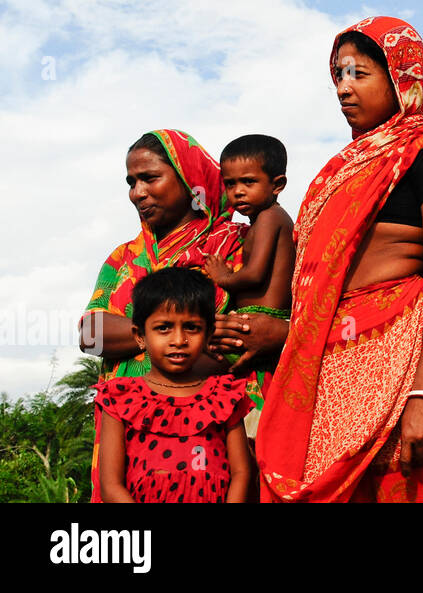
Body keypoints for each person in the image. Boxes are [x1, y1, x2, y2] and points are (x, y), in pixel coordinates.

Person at [256, 16, 423, 503]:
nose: (344, 88)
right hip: (334, 360)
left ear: (402, 77)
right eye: (338, 76)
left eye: (359, 74)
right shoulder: (343, 167)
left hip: (406, 349)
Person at [80, 128, 246, 502]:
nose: (137, 192)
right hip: (126, 433)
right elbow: (90, 335)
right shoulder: (123, 258)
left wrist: (128, 336)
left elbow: (243, 338)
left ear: (191, 181)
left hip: (209, 430)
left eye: (150, 178)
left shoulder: (233, 247)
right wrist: (193, 331)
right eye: (131, 182)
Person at [95, 266, 255, 503]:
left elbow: (242, 473)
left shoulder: (224, 396)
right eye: (163, 328)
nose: (179, 340)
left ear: (209, 333)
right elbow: (110, 485)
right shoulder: (120, 398)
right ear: (140, 335)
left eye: (191, 327)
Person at [200, 134, 294, 426]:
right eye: (230, 184)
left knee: (196, 368)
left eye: (248, 183)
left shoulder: (270, 218)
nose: (238, 192)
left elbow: (253, 274)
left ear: (277, 185)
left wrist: (223, 277)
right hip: (256, 319)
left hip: (263, 318)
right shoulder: (265, 219)